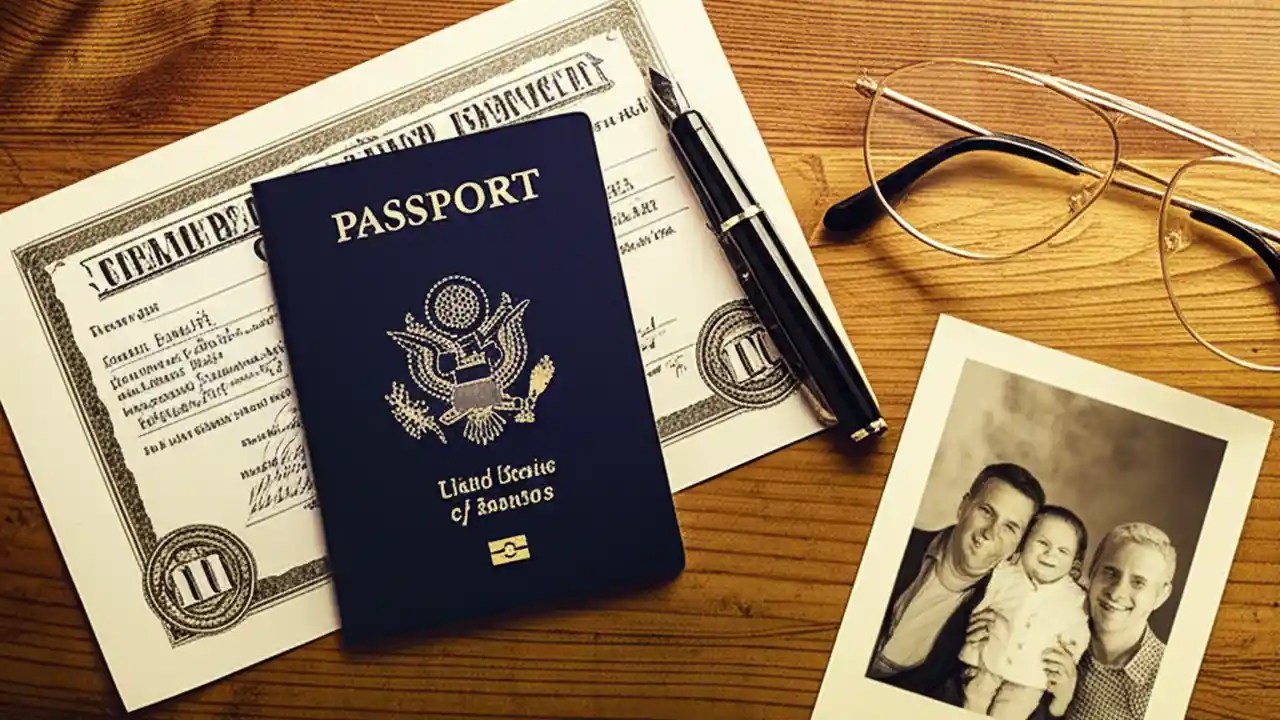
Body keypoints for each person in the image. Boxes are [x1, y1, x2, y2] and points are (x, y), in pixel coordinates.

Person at [867, 462, 1046, 702]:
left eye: (1010, 527)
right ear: (963, 507)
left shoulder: (998, 618)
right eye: (987, 511)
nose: (991, 532)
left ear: (1018, 547)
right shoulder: (896, 542)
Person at [972, 522, 1177, 719]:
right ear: (1092, 572)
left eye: (1138, 583)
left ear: (1162, 595)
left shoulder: (1166, 682)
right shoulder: (1052, 626)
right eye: (1110, 573)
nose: (1116, 592)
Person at [958, 506, 1092, 719]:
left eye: (1062, 551)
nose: (1050, 554)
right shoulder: (1005, 574)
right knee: (972, 701)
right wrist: (971, 650)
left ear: (1074, 563)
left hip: (1030, 677)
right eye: (1042, 543)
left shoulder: (1075, 598)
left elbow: (1079, 631)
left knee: (1011, 713)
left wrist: (1070, 650)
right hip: (988, 662)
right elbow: (982, 606)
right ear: (1024, 543)